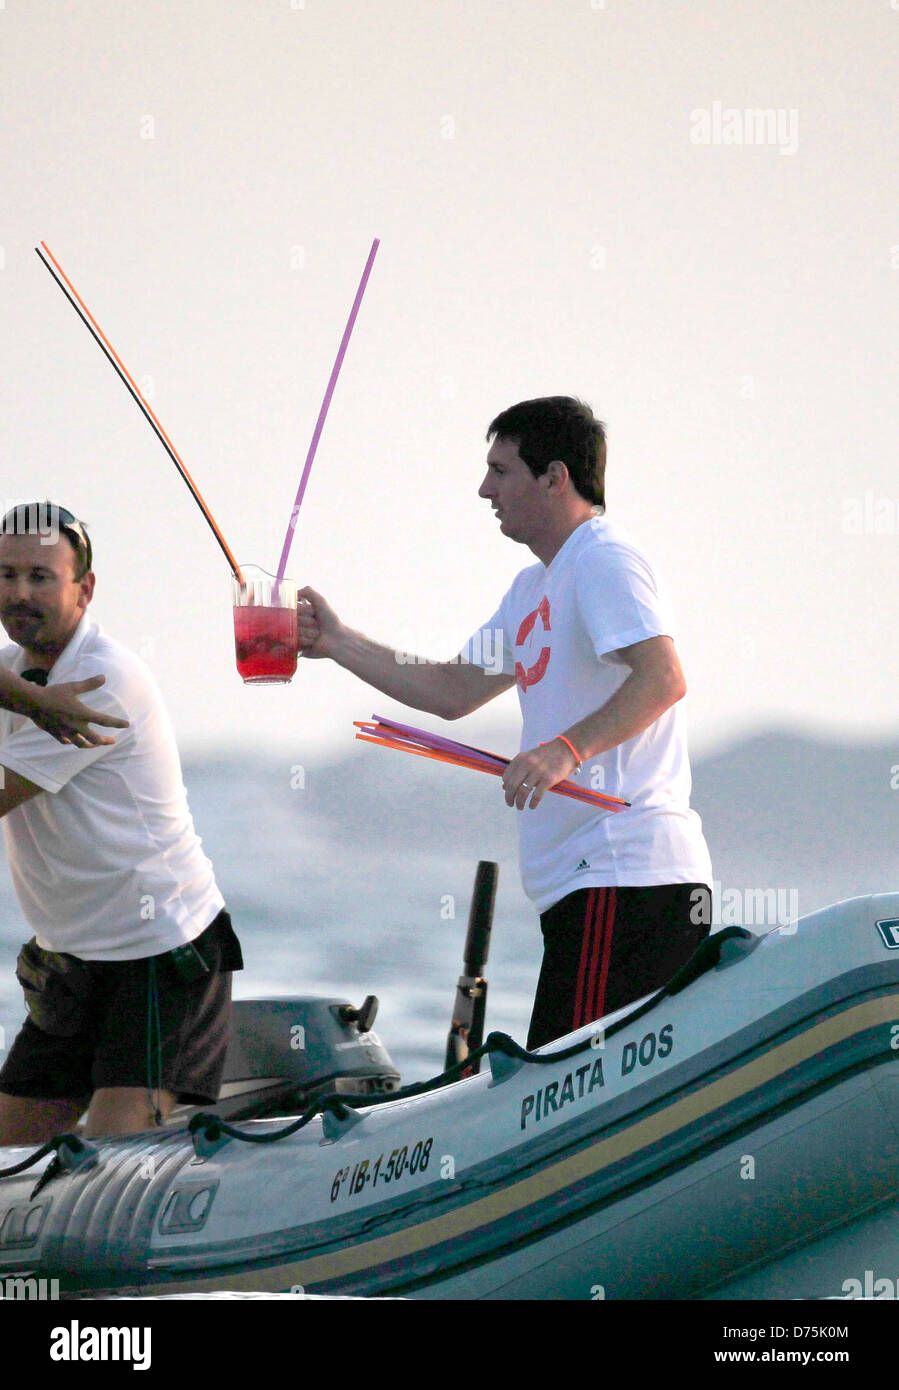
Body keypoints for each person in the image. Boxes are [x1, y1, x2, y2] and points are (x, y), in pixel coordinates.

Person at [297, 396, 713, 1048]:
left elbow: (663, 678)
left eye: (501, 470)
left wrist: (562, 751)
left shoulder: (602, 558)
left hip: (623, 877)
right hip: (581, 889)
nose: (483, 489)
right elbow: (451, 688)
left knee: (573, 1097)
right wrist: (337, 642)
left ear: (555, 477)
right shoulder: (530, 588)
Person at [0, 502, 242, 1145]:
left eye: (40, 577)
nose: (19, 593)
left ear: (85, 588)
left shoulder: (103, 682)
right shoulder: (14, 672)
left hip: (160, 954)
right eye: (5, 575)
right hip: (68, 960)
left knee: (108, 1158)